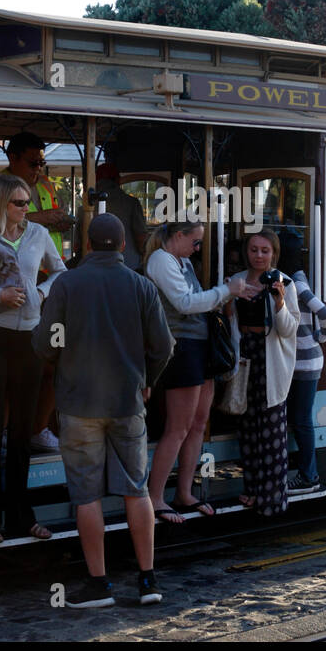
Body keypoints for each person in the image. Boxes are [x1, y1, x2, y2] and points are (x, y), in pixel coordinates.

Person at [33, 214, 174, 608]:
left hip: (78, 405)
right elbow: (164, 347)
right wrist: (147, 380)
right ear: (124, 245)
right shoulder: (140, 285)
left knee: (86, 495)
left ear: (88, 245)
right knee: (137, 489)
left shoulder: (67, 284)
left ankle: (98, 585)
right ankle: (148, 581)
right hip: (127, 402)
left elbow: (45, 344)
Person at [0, 172, 66, 543]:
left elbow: (61, 273)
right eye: (20, 203)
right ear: (0, 203)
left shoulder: (38, 235)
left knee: (23, 430)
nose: (27, 209)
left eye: (28, 203)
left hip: (29, 338)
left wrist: (41, 291)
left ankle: (22, 516)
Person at [143, 220, 257, 523]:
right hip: (181, 347)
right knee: (178, 427)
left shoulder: (182, 261)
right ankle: (155, 497)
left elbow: (198, 302)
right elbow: (184, 303)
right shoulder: (160, 260)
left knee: (198, 423)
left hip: (199, 346)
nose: (198, 249)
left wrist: (232, 293)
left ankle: (184, 492)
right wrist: (225, 290)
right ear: (179, 236)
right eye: (195, 242)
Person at [4, 133, 73, 454]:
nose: (39, 168)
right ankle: (5, 429)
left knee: (57, 358)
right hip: (9, 291)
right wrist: (40, 219)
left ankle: (39, 427)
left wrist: (60, 222)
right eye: (33, 162)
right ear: (13, 158)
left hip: (47, 288)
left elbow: (48, 228)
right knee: (12, 364)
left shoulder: (45, 185)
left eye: (42, 162)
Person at [228, 229, 299, 517]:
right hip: (245, 356)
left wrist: (280, 301)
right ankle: (253, 489)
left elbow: (289, 330)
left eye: (265, 251)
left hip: (270, 361)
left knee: (271, 430)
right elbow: (230, 321)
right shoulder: (237, 281)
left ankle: (272, 499)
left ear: (274, 254)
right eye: (254, 250)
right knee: (247, 427)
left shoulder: (285, 283)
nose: (259, 255)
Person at [278, 232, 326, 495]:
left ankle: (309, 474)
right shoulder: (297, 278)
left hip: (305, 362)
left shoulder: (295, 284)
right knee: (298, 418)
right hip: (301, 361)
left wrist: (319, 338)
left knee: (301, 419)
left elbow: (324, 312)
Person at [95, 161, 147, 272]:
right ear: (117, 180)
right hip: (128, 266)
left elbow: (77, 245)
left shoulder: (87, 206)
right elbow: (141, 238)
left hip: (95, 268)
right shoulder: (131, 203)